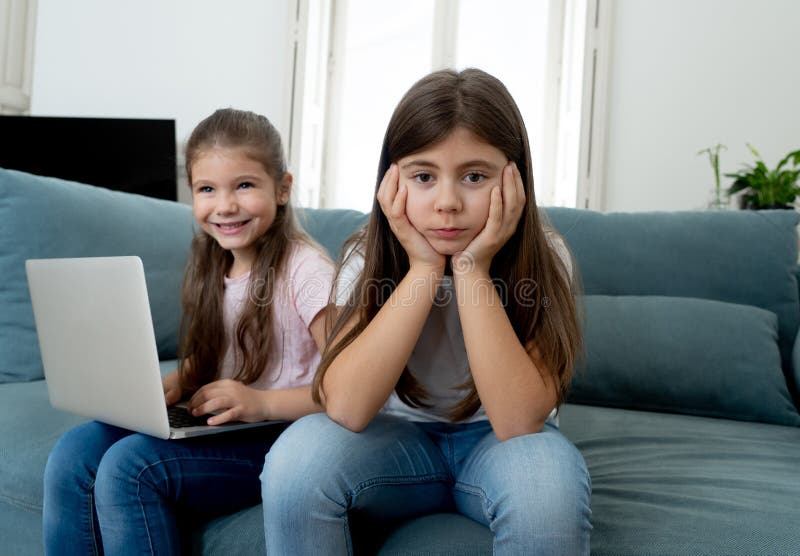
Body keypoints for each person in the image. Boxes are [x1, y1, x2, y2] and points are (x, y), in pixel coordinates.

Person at [260, 68, 592, 555]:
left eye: (474, 176)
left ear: (515, 179)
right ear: (392, 181)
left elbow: (518, 423)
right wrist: (423, 268)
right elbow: (346, 407)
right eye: (423, 177)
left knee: (548, 493)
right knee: (296, 465)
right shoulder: (366, 256)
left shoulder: (545, 255)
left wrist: (472, 268)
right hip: (396, 443)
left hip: (496, 444)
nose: (447, 203)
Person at [42, 108, 334, 555]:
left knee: (128, 467)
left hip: (285, 439)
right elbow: (225, 353)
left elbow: (347, 390)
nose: (225, 205)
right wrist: (180, 379)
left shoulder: (307, 272)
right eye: (207, 189)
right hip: (228, 427)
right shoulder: (213, 262)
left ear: (282, 188)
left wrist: (261, 403)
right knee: (73, 452)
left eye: (244, 185)